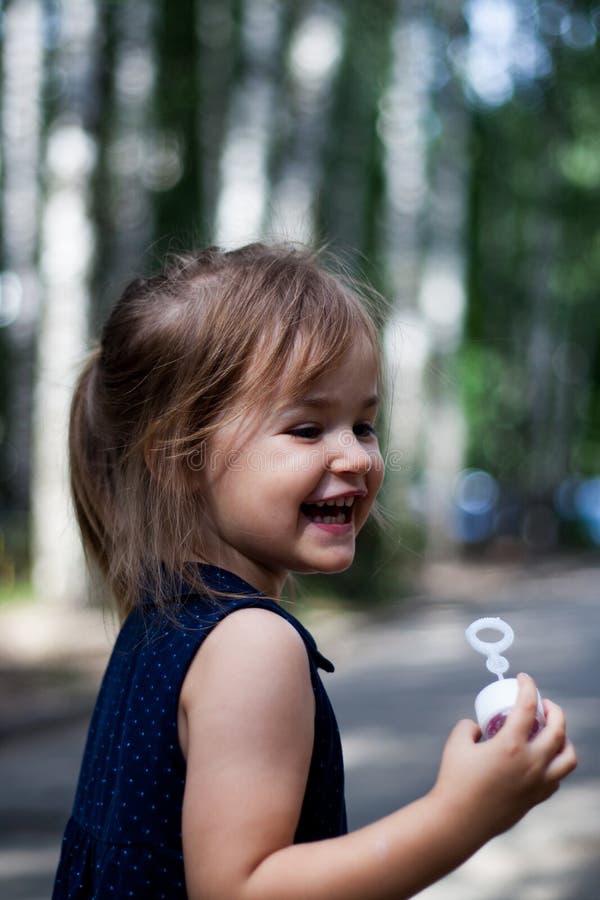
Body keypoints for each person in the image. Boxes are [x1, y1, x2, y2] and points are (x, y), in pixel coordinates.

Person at [53, 243, 577, 900]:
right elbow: (243, 889)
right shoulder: (251, 645)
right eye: (307, 428)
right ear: (179, 457)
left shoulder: (163, 620)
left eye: (363, 424)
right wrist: (463, 815)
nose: (355, 457)